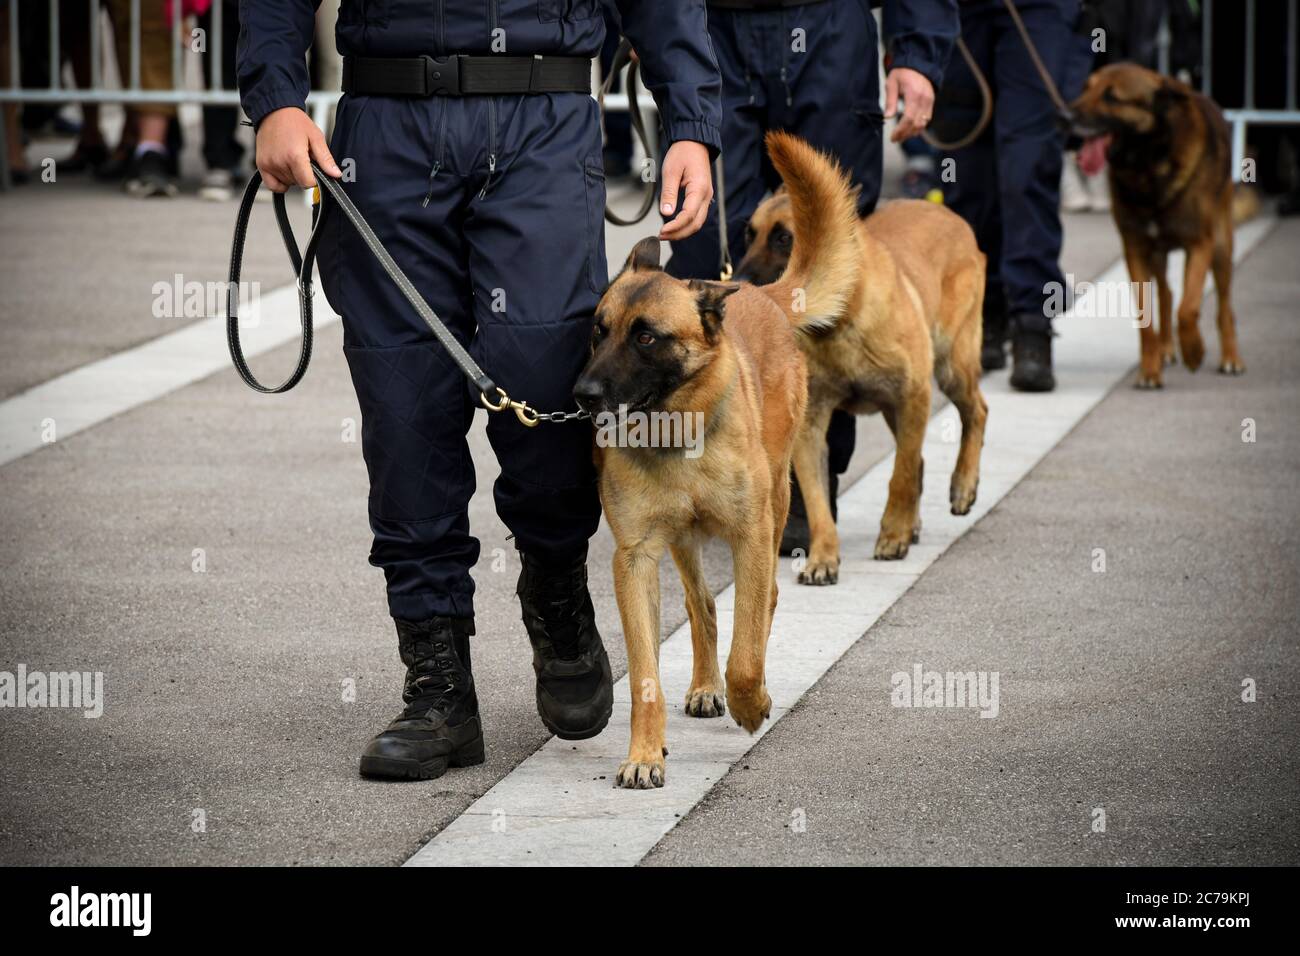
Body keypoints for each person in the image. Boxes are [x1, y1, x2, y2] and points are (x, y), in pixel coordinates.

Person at [237, 0, 720, 780]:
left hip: (541, 115)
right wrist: (276, 96)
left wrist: (692, 119)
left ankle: (558, 591)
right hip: (386, 122)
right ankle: (438, 687)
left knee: (554, 395)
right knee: (404, 412)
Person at [666, 0, 959, 553]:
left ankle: (803, 488)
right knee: (709, 247)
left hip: (828, 26)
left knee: (823, 263)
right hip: (710, 27)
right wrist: (645, 23)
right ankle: (707, 466)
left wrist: (918, 51)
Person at [941, 0, 1087, 391]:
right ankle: (982, 313)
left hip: (1038, 10)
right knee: (966, 174)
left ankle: (1033, 327)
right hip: (956, 11)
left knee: (1027, 167)